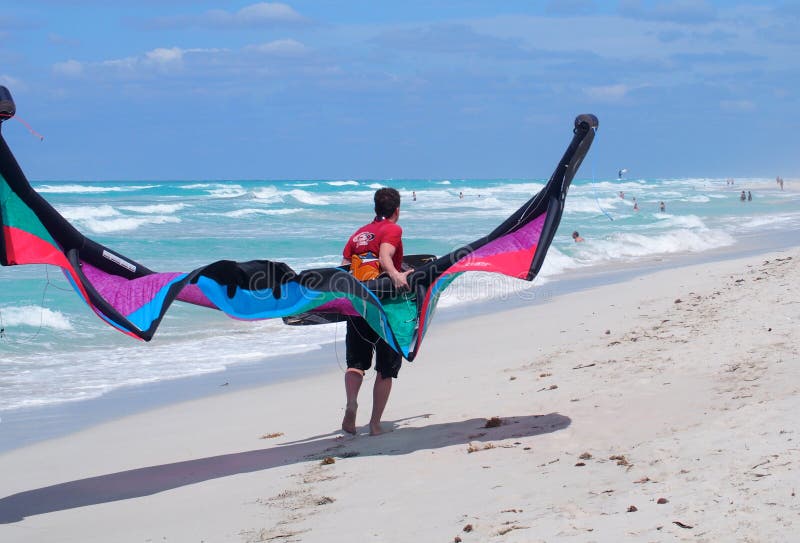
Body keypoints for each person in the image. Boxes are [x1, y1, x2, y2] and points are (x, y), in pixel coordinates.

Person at [341, 187, 412, 436]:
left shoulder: (358, 234)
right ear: (397, 210)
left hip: (358, 304)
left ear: (375, 208)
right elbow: (384, 256)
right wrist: (395, 275)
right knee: (385, 367)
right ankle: (374, 424)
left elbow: (344, 270)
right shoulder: (393, 229)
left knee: (355, 364)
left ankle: (351, 404)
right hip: (385, 306)